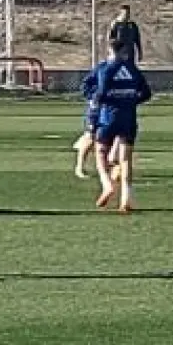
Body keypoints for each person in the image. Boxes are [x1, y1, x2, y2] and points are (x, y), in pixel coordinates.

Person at [92, 37, 152, 213]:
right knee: (125, 159)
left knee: (100, 152)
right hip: (129, 117)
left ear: (109, 52)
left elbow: (102, 92)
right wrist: (132, 100)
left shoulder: (106, 69)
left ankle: (107, 184)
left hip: (109, 116)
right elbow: (147, 93)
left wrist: (99, 99)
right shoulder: (132, 70)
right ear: (125, 52)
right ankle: (126, 198)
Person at [71, 61, 102, 180]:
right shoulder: (102, 68)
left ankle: (107, 167)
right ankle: (79, 167)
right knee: (90, 138)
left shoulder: (122, 69)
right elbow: (86, 84)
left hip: (110, 109)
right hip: (97, 110)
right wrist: (92, 97)